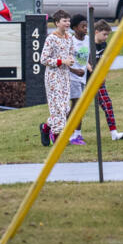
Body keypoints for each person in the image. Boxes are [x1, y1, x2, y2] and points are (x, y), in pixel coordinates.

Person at [39, 10, 75, 146]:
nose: (68, 23)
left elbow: (71, 53)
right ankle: (57, 136)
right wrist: (61, 61)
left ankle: (46, 127)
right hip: (53, 76)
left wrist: (70, 59)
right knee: (57, 107)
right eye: (64, 21)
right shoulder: (51, 38)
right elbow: (44, 59)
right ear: (57, 23)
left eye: (68, 20)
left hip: (65, 75)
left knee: (65, 108)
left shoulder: (70, 37)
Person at [91, 20, 123, 141]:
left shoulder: (104, 45)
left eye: (108, 35)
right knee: (76, 109)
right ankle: (74, 134)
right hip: (84, 79)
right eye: (104, 34)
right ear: (96, 32)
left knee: (107, 104)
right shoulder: (87, 44)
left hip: (98, 80)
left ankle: (114, 134)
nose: (106, 37)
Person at [66, 14, 90, 145]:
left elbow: (88, 58)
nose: (85, 29)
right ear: (75, 28)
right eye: (83, 26)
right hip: (72, 78)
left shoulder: (87, 40)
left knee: (78, 107)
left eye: (86, 26)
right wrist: (75, 70)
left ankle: (76, 134)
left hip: (83, 78)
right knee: (77, 106)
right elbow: (65, 62)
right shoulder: (70, 42)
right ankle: (69, 135)